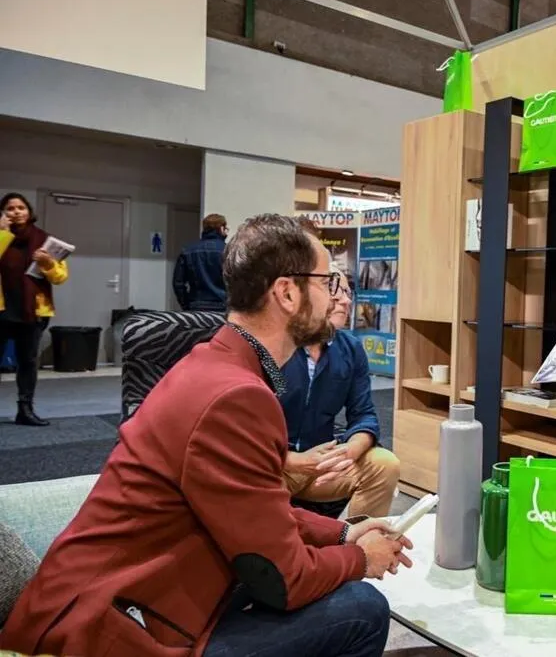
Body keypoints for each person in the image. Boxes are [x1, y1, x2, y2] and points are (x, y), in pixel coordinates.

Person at [0, 214, 413, 657]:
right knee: (361, 607)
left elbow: (254, 510)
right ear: (287, 293)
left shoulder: (216, 364)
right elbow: (284, 578)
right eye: (327, 281)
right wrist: (361, 558)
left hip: (118, 598)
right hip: (102, 628)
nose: (335, 295)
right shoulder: (237, 396)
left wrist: (341, 535)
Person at [279, 221, 400, 518]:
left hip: (322, 464)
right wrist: (293, 461)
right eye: (335, 292)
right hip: (273, 466)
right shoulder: (277, 346)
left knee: (385, 464)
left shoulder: (349, 348)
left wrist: (350, 451)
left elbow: (365, 414)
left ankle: (361, 549)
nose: (346, 301)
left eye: (348, 292)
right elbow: (242, 440)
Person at [0, 193, 70, 427]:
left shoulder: (44, 240)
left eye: (21, 208)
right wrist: (3, 234)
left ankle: (25, 409)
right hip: (2, 309)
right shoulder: (1, 236)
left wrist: (47, 264)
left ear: (29, 212)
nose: (16, 212)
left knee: (27, 362)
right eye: (10, 208)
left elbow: (60, 277)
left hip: (32, 311)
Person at [173, 213, 229, 311]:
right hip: (223, 306)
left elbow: (178, 283)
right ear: (221, 228)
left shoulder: (188, 250)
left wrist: (186, 305)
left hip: (196, 306)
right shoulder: (229, 250)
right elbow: (238, 282)